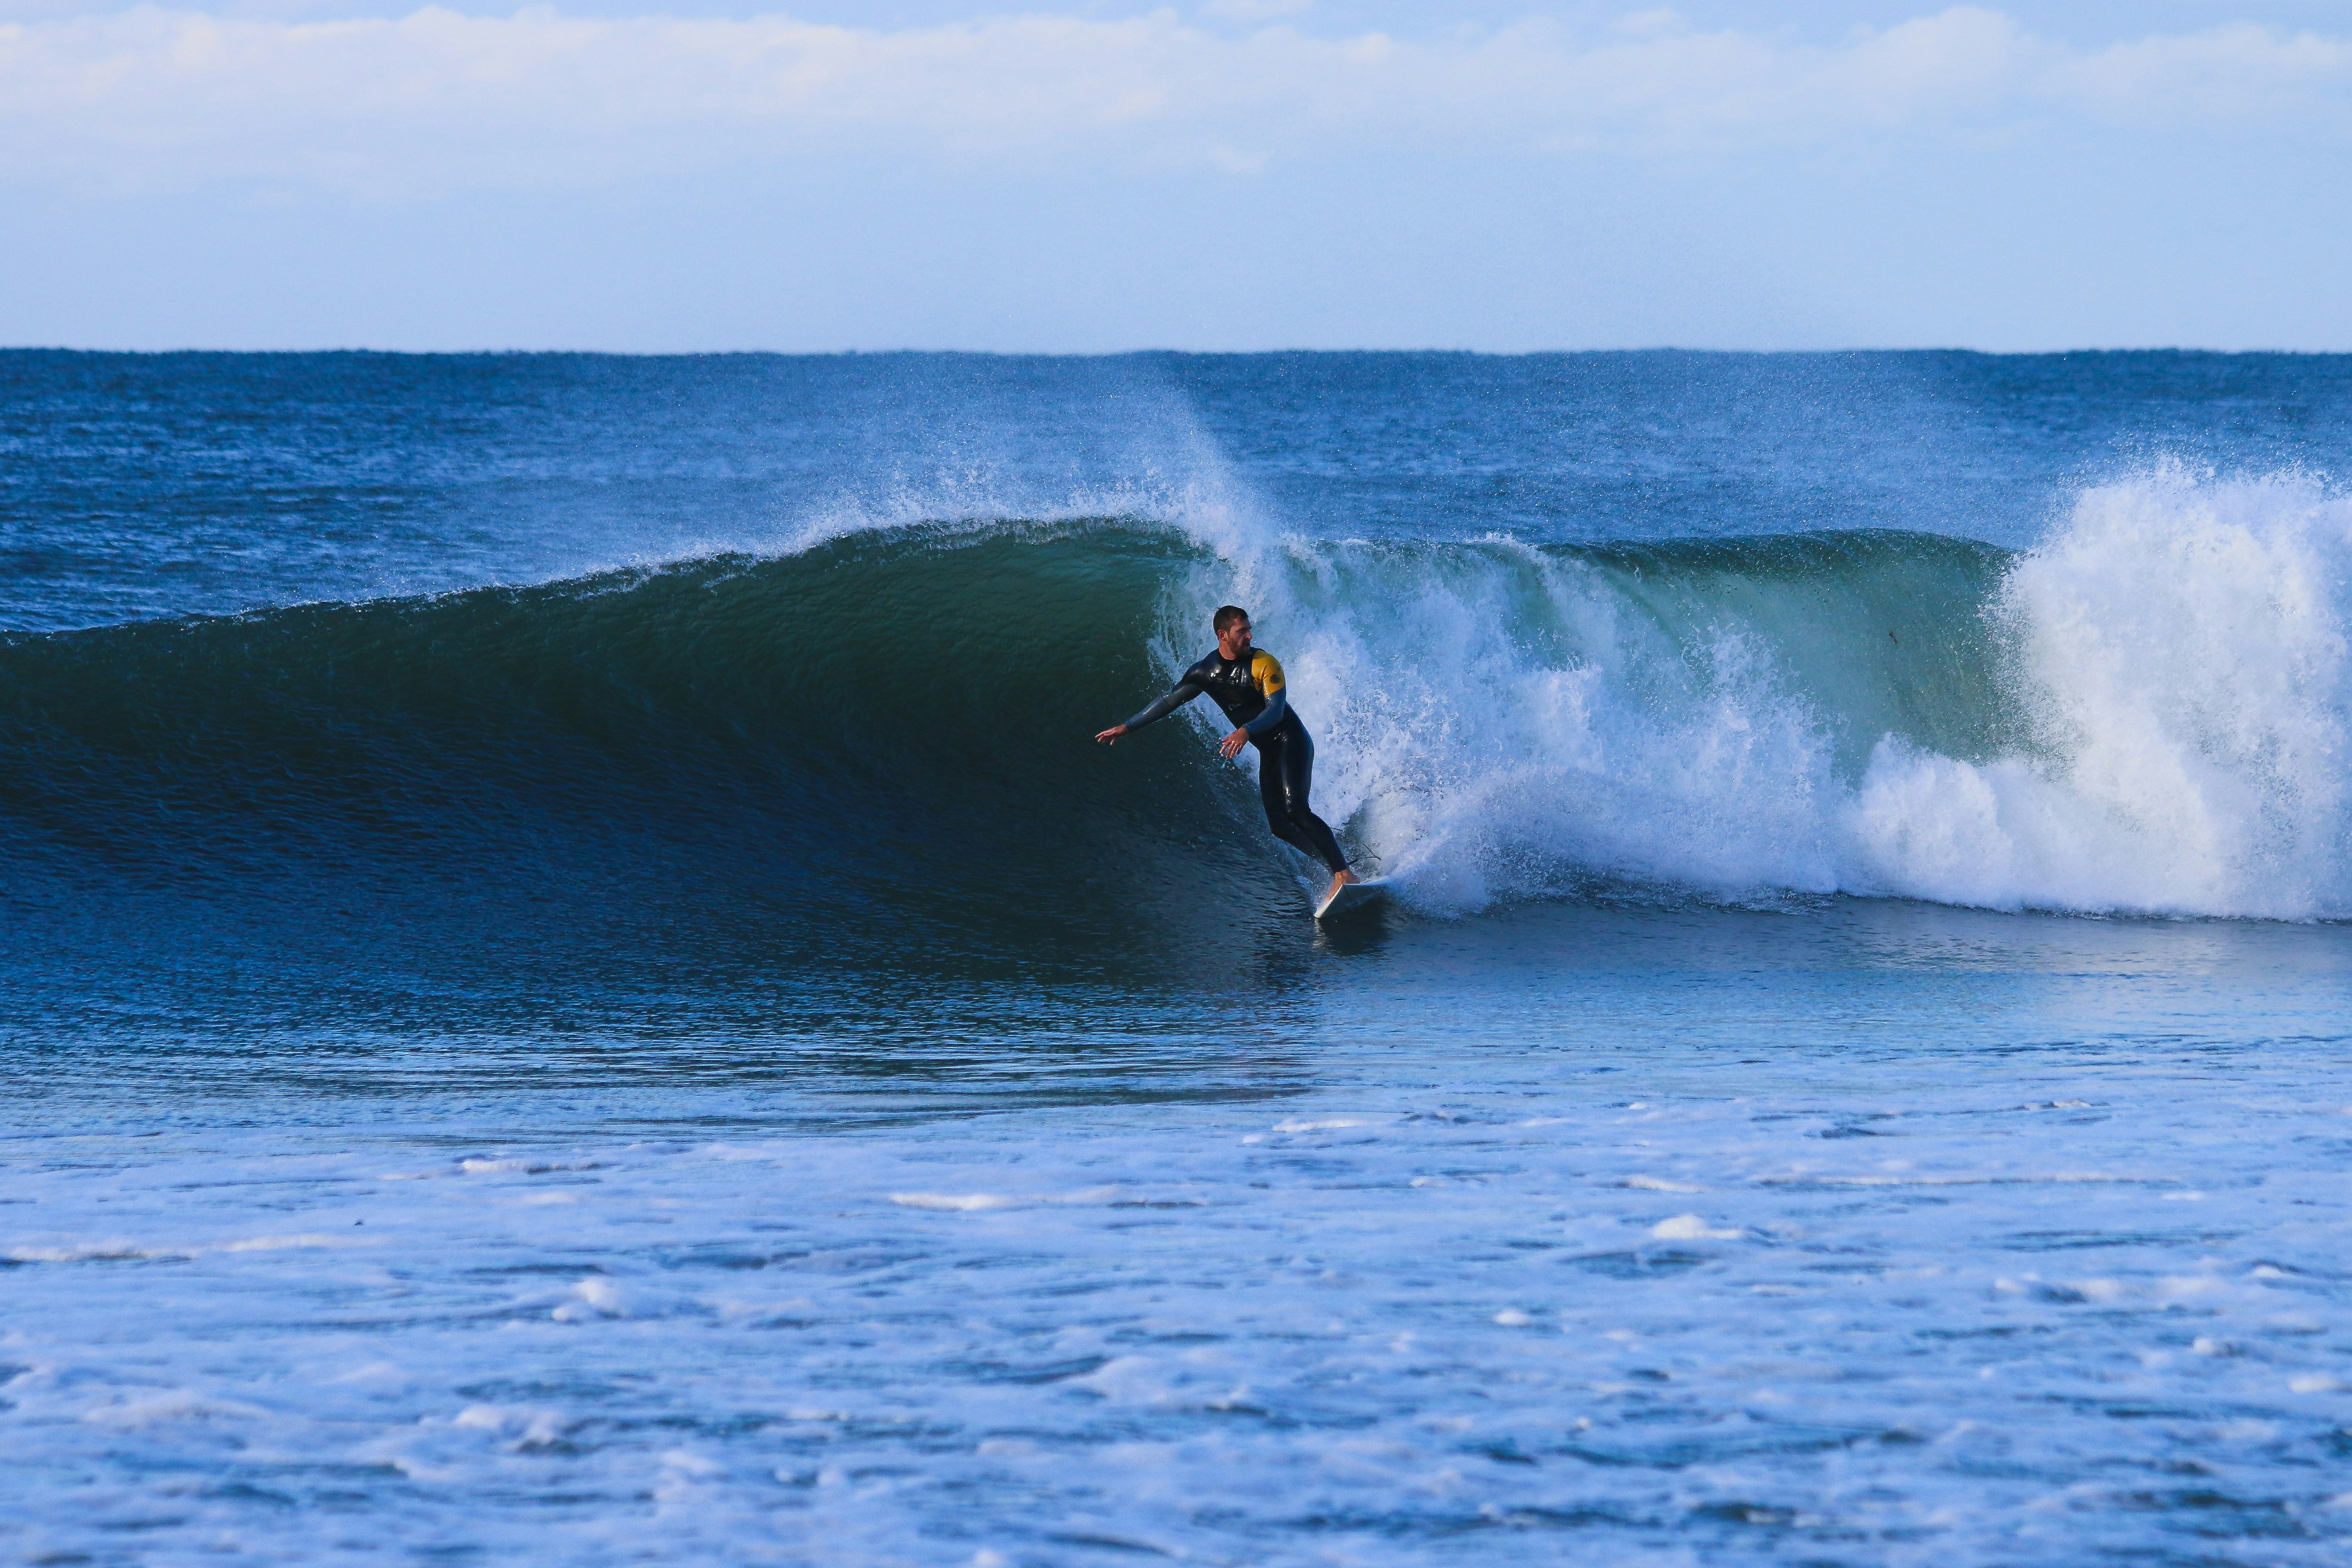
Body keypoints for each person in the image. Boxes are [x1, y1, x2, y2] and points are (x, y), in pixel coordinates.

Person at [1096, 605, 1360, 905]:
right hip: (1269, 750)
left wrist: (1246, 730)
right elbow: (1170, 699)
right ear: (1223, 635)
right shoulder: (1205, 672)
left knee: (1295, 808)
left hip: (1291, 740)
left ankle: (1343, 873)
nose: (1250, 635)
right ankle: (1337, 863)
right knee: (1279, 825)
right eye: (1242, 631)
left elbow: (1275, 711)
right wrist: (1128, 727)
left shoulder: (1265, 664)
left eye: (1249, 629)